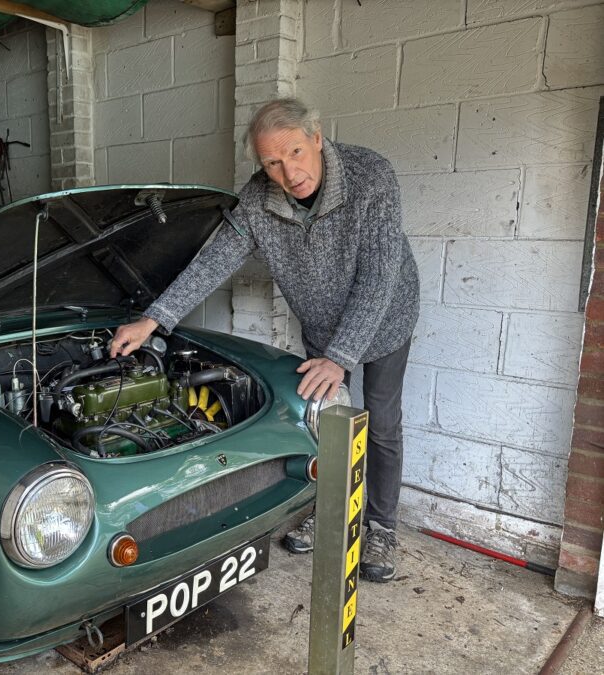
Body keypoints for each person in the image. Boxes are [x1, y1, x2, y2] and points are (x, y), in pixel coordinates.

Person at [109, 98, 419, 582]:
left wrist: (340, 356)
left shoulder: (370, 176)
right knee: (327, 419)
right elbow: (216, 259)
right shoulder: (258, 198)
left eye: (295, 152)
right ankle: (335, 510)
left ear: (317, 138)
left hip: (385, 319)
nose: (288, 172)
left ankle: (381, 525)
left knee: (379, 421)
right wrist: (154, 320)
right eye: (272, 162)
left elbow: (379, 275)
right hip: (322, 324)